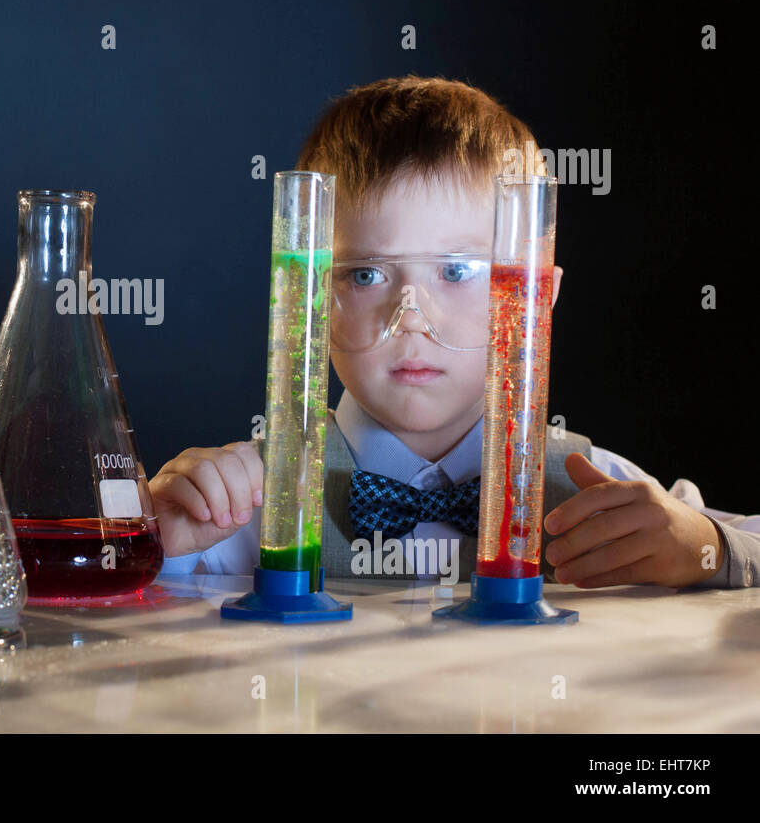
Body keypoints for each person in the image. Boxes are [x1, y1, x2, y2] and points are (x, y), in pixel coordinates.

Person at [153, 77, 759, 589]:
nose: (411, 317)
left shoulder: (586, 484)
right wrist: (158, 542)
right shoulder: (254, 501)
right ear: (308, 298)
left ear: (534, 298)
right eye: (365, 274)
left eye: (456, 271)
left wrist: (705, 549)